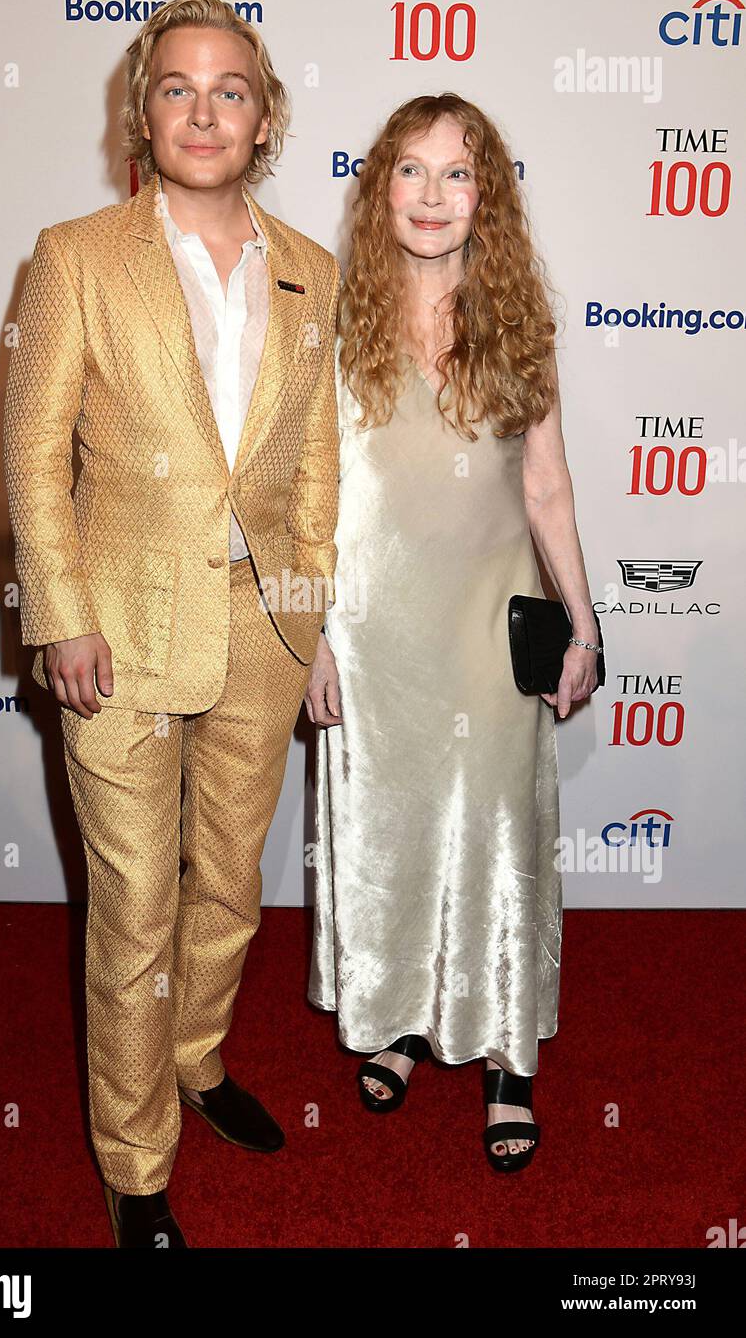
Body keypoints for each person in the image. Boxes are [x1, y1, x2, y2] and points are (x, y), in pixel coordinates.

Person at [2, 0, 340, 1246]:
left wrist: (313, 628)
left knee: (234, 884)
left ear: (265, 118)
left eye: (231, 89)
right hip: (119, 637)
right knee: (136, 903)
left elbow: (315, 468)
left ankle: (197, 1058)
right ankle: (134, 1164)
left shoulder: (314, 266)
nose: (205, 110)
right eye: (178, 87)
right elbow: (33, 461)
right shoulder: (75, 253)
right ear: (141, 111)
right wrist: (61, 619)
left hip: (263, 631)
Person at [305, 94, 602, 1173]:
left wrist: (583, 624)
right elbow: (309, 495)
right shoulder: (333, 324)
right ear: (380, 185)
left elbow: (546, 486)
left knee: (495, 840)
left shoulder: (515, 324)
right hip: (371, 632)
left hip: (484, 625)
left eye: (457, 174)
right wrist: (312, 638)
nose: (432, 197)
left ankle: (505, 1061)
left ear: (488, 197)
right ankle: (392, 1015)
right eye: (411, 172)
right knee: (387, 837)